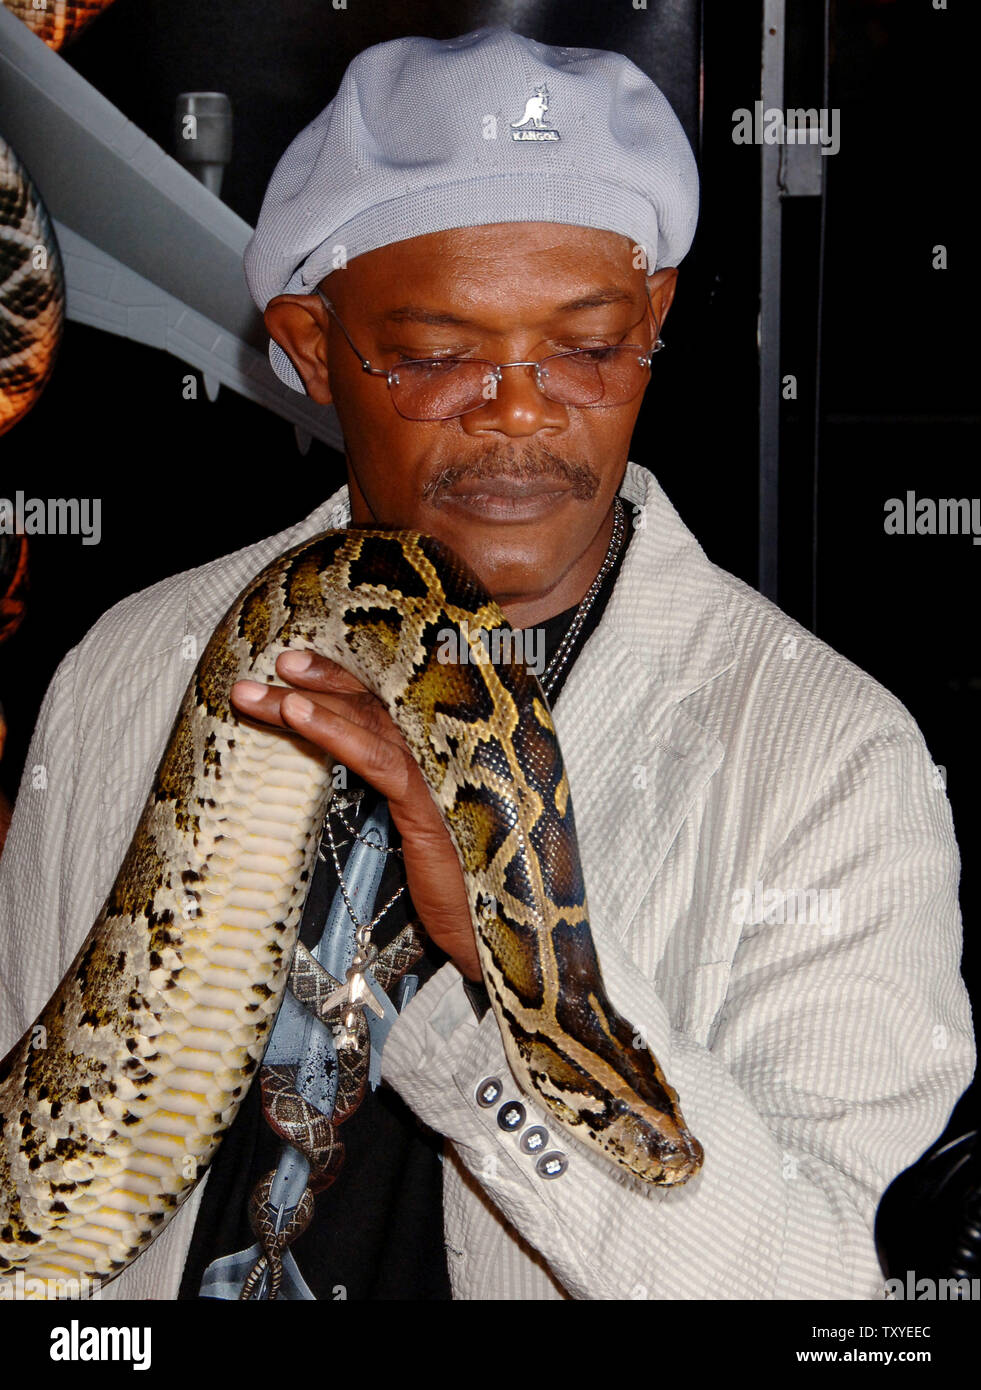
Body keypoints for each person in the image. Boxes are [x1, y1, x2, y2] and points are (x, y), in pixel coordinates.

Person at [0, 26, 974, 1301]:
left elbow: (830, 1303)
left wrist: (481, 985)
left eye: (585, 344)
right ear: (307, 340)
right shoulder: (129, 672)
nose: (519, 409)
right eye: (439, 353)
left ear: (656, 319)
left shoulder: (827, 760)